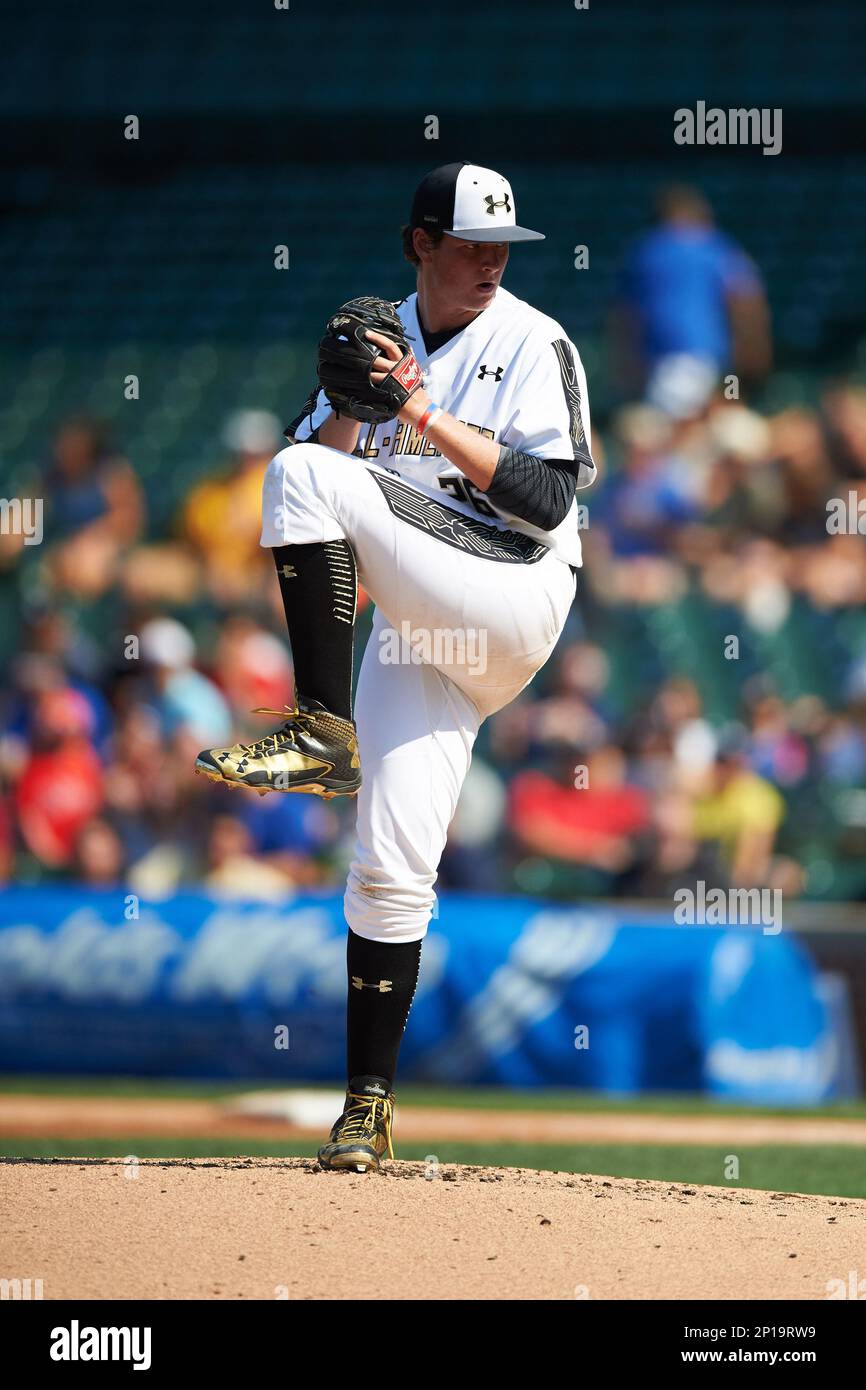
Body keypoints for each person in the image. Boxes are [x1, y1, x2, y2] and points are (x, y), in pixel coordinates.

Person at [195, 162, 596, 1171]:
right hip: (425, 622)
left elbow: (547, 503)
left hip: (510, 592)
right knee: (384, 866)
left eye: (502, 245)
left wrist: (415, 415)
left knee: (301, 474)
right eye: (468, 244)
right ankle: (365, 1107)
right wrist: (343, 400)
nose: (491, 263)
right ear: (418, 243)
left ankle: (319, 731)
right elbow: (307, 483)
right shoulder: (380, 341)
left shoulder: (532, 339)